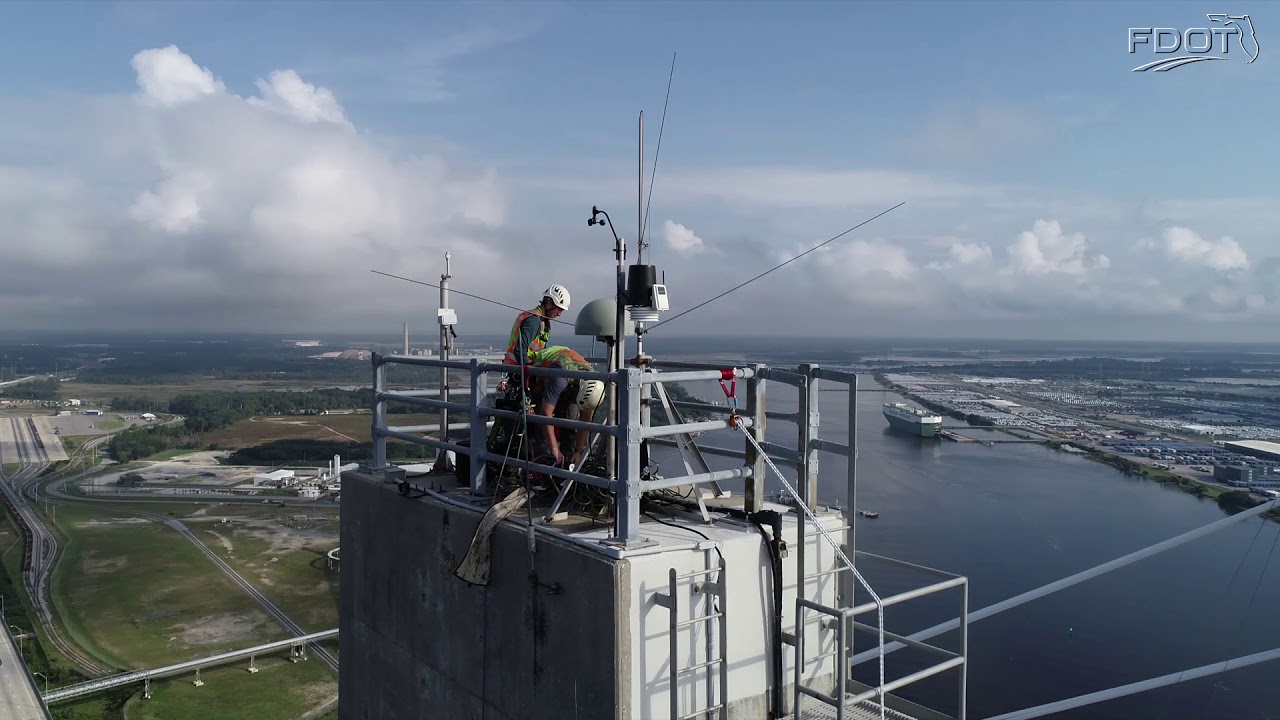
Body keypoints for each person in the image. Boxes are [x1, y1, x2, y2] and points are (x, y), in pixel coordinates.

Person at [528, 345, 604, 468]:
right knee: (541, 429)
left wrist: (578, 451)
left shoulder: (593, 385)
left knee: (570, 424)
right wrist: (554, 449)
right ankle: (543, 467)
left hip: (570, 382)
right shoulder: (559, 378)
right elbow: (545, 414)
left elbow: (585, 421)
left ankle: (567, 463)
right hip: (544, 374)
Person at [503, 284, 571, 394]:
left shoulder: (543, 321)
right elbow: (520, 349)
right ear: (549, 303)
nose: (559, 314)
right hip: (520, 374)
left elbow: (540, 351)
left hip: (526, 371)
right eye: (559, 309)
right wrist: (529, 373)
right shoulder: (534, 321)